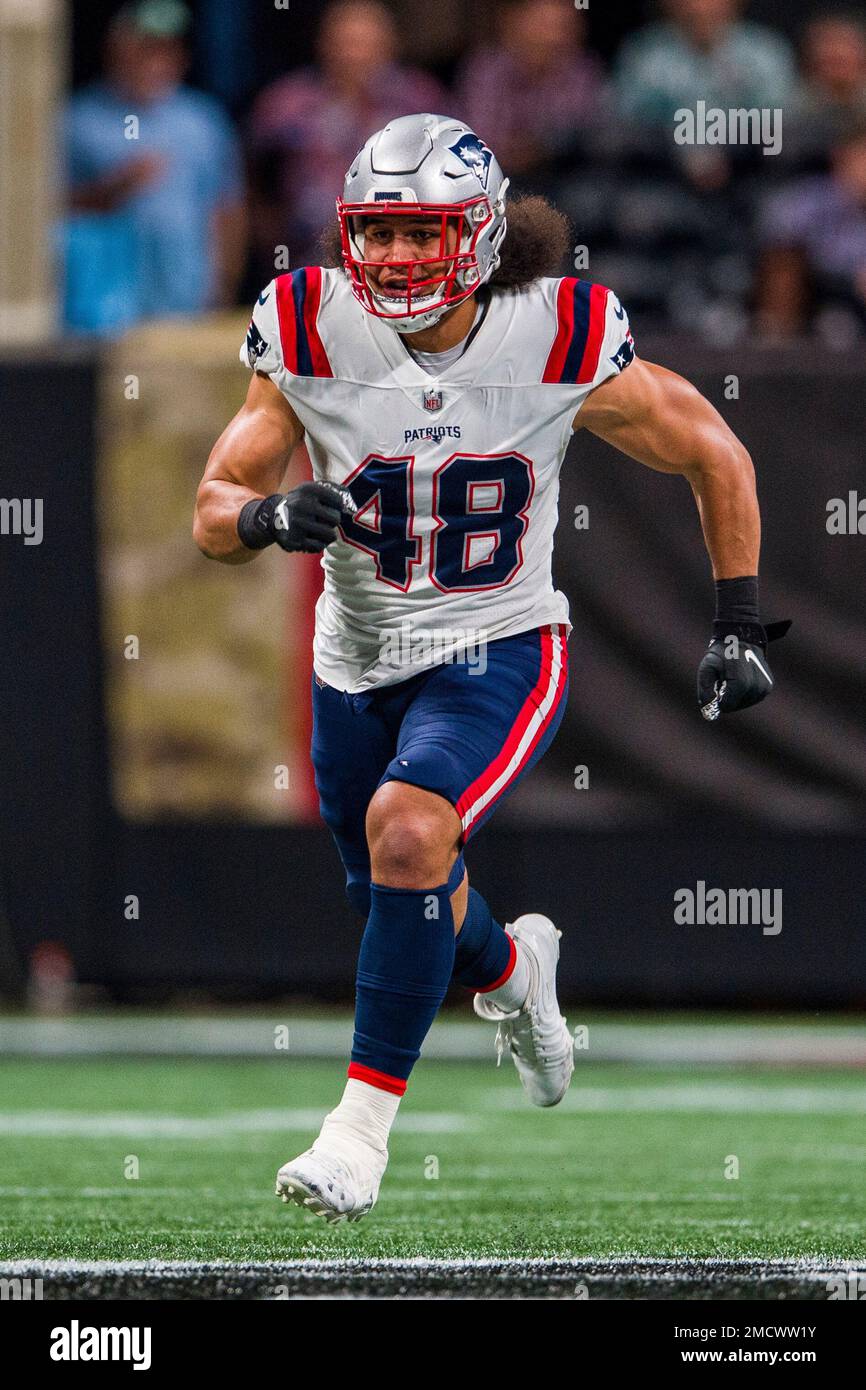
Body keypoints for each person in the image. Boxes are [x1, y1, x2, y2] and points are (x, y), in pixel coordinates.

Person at [194, 114, 788, 1223]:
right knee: (405, 889)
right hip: (354, 657)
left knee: (409, 831)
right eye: (376, 233)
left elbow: (712, 447)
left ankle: (355, 1134)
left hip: (499, 643)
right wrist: (271, 513)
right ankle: (512, 974)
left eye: (421, 234)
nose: (395, 258)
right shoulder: (306, 323)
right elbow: (211, 512)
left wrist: (738, 620)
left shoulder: (550, 333)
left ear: (478, 235)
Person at [63, 0, 245, 334]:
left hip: (187, 301)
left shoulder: (203, 121)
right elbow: (39, 214)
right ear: (117, 51)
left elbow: (226, 209)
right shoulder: (78, 121)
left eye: (166, 50)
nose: (155, 62)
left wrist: (224, 291)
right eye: (145, 49)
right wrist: (110, 191)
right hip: (102, 311)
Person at [247, 0, 446, 274]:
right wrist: (272, 244)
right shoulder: (285, 105)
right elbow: (253, 180)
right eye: (346, 42)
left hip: (403, 263)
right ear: (322, 44)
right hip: (306, 263)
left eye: (366, 43)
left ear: (391, 45)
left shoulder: (420, 102)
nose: (355, 55)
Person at [455, 0, 608, 179]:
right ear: (512, 23)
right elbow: (478, 148)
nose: (555, 37)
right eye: (545, 25)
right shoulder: (485, 71)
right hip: (497, 180)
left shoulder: (584, 72)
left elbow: (586, 142)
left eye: (564, 26)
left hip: (570, 183)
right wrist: (536, 149)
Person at [757, 122, 866, 337]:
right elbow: (779, 241)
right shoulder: (809, 200)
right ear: (841, 158)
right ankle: (774, 348)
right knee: (785, 268)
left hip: (855, 304)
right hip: (815, 292)